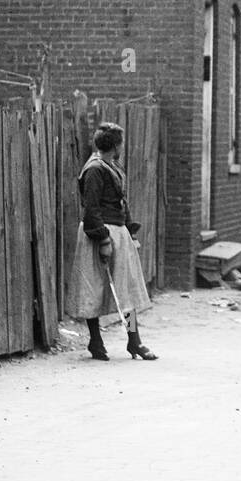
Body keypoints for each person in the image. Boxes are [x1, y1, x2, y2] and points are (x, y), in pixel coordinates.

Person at [64, 122, 158, 360]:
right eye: (121, 143)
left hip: (117, 231)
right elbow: (91, 208)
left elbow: (121, 202)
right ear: (116, 146)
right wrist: (103, 240)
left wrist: (130, 229)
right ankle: (95, 341)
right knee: (93, 287)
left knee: (125, 288)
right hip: (99, 234)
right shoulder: (94, 170)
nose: (122, 147)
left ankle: (134, 341)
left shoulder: (111, 165)